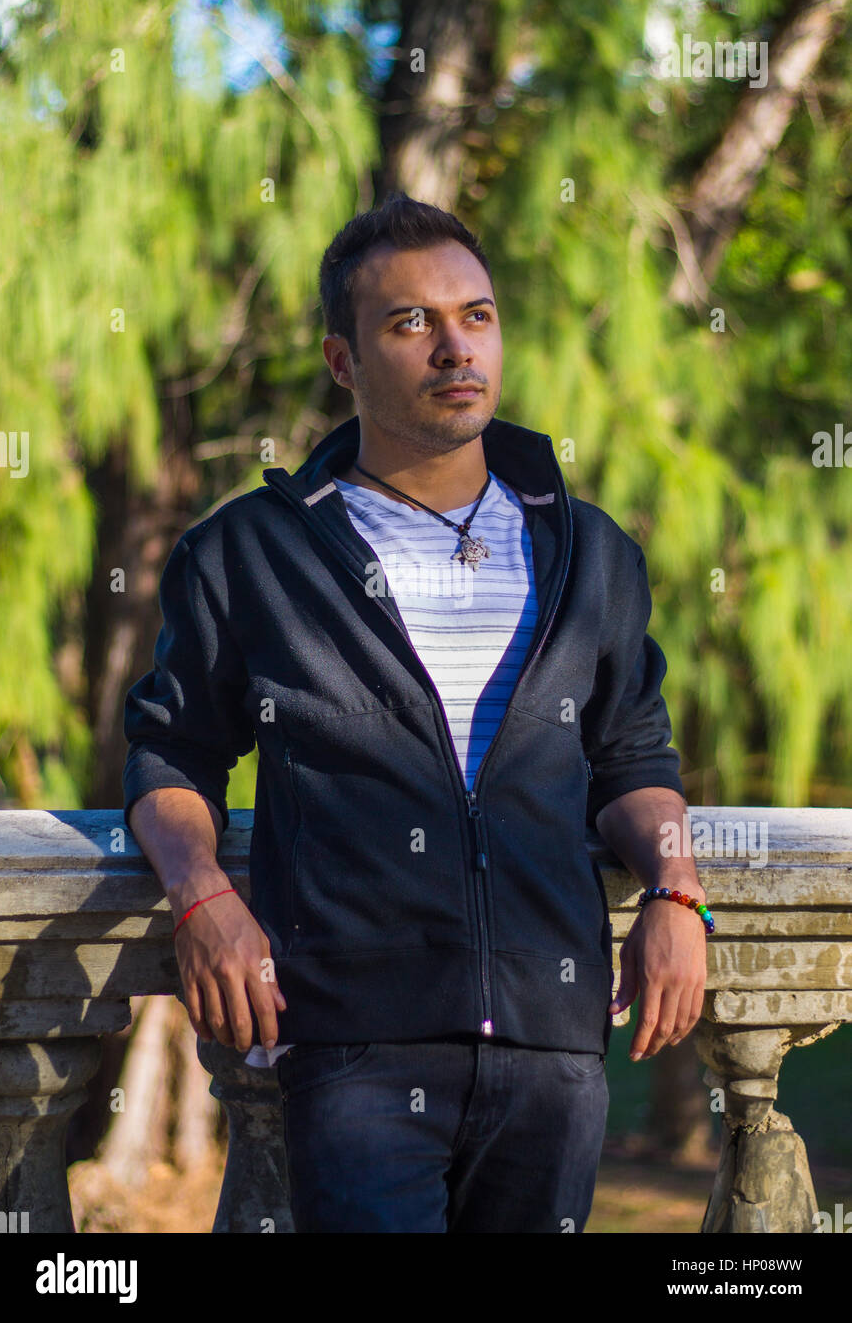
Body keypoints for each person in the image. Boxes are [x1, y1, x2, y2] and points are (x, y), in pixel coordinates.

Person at [123, 193, 708, 1233]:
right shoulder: (250, 554)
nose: (453, 347)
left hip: (552, 1046)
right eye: (410, 324)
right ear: (340, 362)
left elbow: (629, 754)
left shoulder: (589, 552)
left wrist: (673, 890)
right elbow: (171, 757)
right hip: (355, 1046)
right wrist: (201, 894)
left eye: (474, 315)